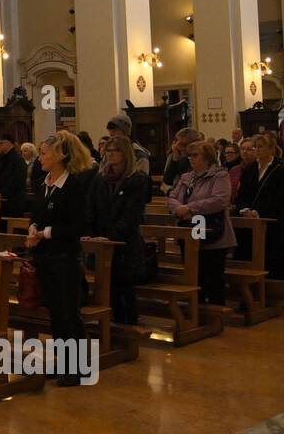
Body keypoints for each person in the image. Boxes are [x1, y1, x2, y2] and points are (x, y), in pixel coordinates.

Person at [26, 131, 94, 386]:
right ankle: (64, 362)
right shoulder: (44, 183)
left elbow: (78, 226)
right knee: (55, 313)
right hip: (45, 257)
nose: (40, 158)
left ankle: (79, 368)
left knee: (68, 313)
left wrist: (45, 233)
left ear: (61, 155)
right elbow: (37, 213)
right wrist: (34, 227)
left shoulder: (73, 186)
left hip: (65, 258)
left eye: (44, 153)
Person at [85, 135, 149, 325]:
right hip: (100, 241)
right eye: (109, 150)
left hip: (124, 243)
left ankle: (128, 324)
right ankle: (110, 324)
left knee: (124, 286)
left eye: (116, 150)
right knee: (107, 286)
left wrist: (111, 237)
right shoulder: (100, 178)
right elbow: (90, 206)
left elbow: (132, 214)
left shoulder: (137, 179)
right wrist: (91, 233)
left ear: (126, 153)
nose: (111, 154)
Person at [167, 140, 235, 308]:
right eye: (189, 155)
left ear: (207, 157)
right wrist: (179, 209)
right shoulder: (186, 177)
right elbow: (172, 198)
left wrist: (189, 208)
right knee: (193, 273)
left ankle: (216, 311)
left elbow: (219, 200)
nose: (191, 159)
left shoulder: (220, 175)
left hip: (212, 230)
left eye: (195, 155)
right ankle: (196, 309)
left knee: (212, 275)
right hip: (189, 231)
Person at [236, 132, 284, 282]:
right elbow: (242, 194)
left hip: (272, 221)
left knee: (272, 257)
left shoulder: (280, 171)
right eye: (255, 147)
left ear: (271, 149)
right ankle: (248, 285)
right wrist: (245, 210)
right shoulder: (249, 170)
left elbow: (280, 198)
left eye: (260, 147)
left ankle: (274, 286)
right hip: (249, 222)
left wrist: (258, 212)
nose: (257, 150)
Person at [0, 134, 27, 219]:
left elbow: (17, 182)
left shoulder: (18, 160)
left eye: (1, 143)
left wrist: (2, 194)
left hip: (12, 202)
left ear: (9, 143)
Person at [161, 128, 203, 193]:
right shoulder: (181, 159)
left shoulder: (200, 159)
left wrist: (169, 192)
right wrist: (175, 158)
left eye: (181, 143)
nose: (177, 145)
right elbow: (167, 180)